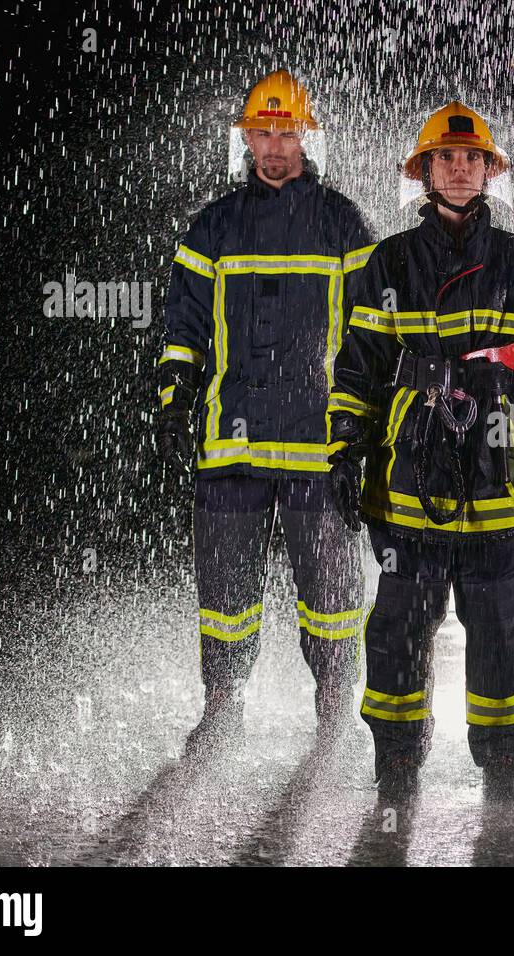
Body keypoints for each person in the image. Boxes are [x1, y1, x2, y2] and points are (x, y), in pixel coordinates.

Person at [327, 101, 514, 799]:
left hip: (498, 476)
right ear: (425, 171)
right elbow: (357, 367)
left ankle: (504, 758)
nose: (460, 169)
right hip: (407, 477)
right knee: (399, 622)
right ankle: (398, 754)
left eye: (472, 159)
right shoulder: (390, 263)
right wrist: (346, 449)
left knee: (501, 623)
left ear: (489, 171)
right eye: (446, 158)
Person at [155, 70, 374, 759]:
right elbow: (183, 326)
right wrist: (172, 397)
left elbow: (372, 331)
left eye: (287, 132)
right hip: (232, 445)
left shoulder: (342, 222)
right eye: (262, 132)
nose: (274, 145)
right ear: (245, 137)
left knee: (332, 603)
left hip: (320, 447)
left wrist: (364, 426)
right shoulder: (213, 226)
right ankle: (221, 709)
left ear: (306, 135)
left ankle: (336, 714)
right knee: (225, 598)